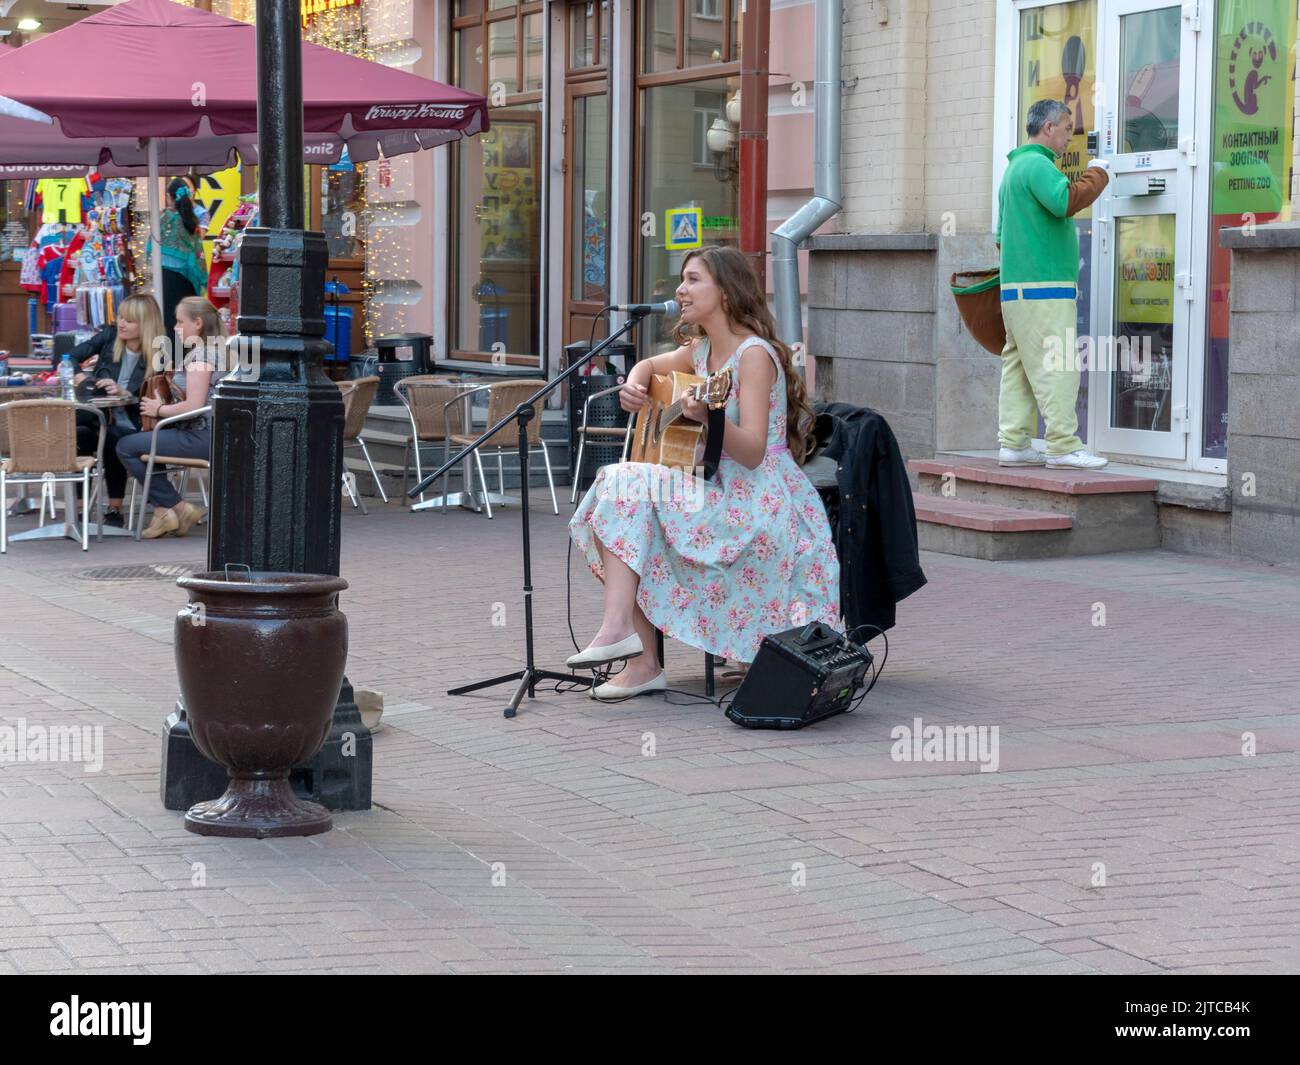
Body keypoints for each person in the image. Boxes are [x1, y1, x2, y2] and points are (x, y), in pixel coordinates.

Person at [569, 246, 840, 701]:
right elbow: (654, 366)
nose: (681, 288)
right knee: (617, 489)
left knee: (625, 487)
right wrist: (635, 382)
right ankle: (635, 652)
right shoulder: (702, 349)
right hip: (712, 487)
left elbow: (753, 452)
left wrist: (711, 418)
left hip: (761, 500)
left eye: (694, 279)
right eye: (682, 278)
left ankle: (634, 651)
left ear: (727, 293)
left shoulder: (754, 355)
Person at [995, 98, 1110, 469]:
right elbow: (1065, 201)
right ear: (1048, 128)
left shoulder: (1013, 171)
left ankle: (1013, 443)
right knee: (1057, 365)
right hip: (1045, 290)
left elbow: (1000, 237)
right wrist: (1099, 173)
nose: (1068, 139)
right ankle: (1063, 446)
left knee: (1019, 368)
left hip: (1015, 291)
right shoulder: (1038, 166)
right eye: (1065, 130)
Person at [116, 296, 222, 539]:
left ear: (197, 323)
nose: (175, 327)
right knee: (149, 440)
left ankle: (178, 507)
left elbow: (194, 405)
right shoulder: (218, 349)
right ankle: (165, 512)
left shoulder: (202, 356)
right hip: (209, 433)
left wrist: (158, 410)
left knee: (125, 446)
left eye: (179, 321)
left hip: (200, 435)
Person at [71, 293, 165, 528]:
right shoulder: (110, 336)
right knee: (78, 432)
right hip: (100, 417)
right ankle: (81, 509)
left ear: (145, 323)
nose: (121, 323)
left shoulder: (161, 351)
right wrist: (80, 374)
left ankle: (115, 509)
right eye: (121, 317)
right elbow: (69, 357)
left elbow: (158, 399)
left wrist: (124, 393)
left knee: (112, 437)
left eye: (129, 320)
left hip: (134, 422)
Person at [150, 178, 208, 335]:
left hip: (166, 280)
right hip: (187, 281)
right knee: (187, 323)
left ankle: (171, 358)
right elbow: (197, 254)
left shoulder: (164, 219)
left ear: (169, 197)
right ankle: (188, 358)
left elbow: (151, 247)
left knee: (170, 324)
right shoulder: (191, 221)